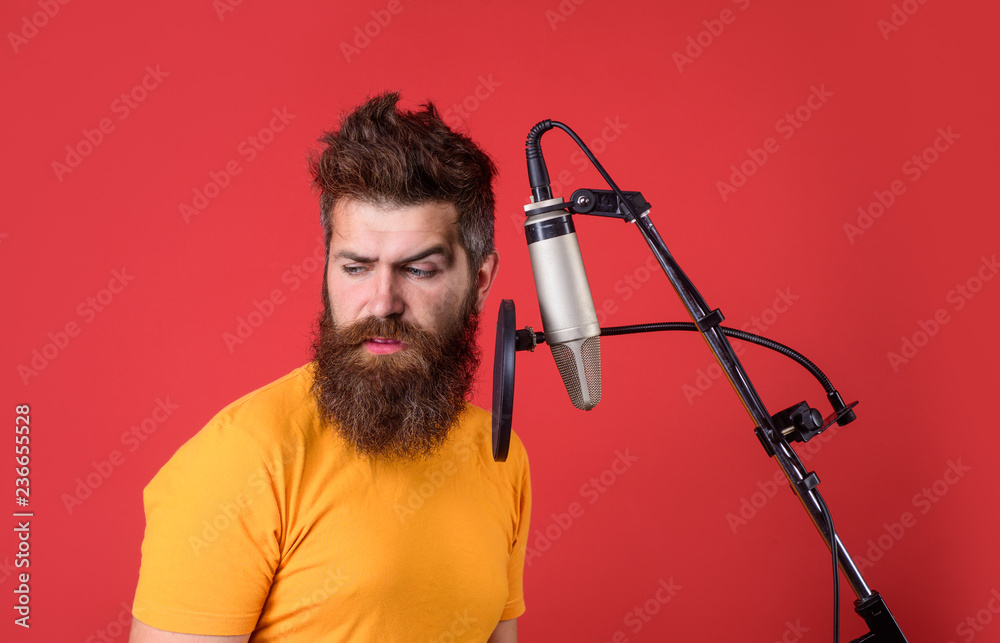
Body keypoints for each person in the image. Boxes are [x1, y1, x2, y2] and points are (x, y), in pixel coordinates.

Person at [128, 92, 531, 643]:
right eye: (356, 267)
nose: (382, 302)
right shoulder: (242, 459)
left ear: (480, 282)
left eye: (418, 270)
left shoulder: (500, 454)